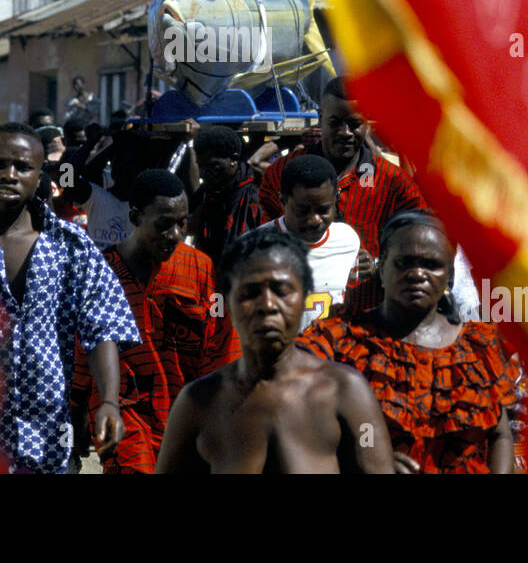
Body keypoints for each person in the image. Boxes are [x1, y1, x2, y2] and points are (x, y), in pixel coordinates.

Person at [0, 123, 141, 473]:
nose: (9, 174)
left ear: (39, 176)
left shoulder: (72, 246)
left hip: (46, 440)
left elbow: (104, 327)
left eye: (22, 167)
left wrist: (109, 401)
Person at [299, 211, 527, 474]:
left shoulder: (480, 347)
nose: (417, 274)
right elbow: (314, 424)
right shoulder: (341, 342)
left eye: (431, 265)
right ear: (382, 268)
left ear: (449, 275)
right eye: (404, 263)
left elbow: (499, 436)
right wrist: (367, 456)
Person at [154, 228, 394, 474]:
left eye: (281, 291)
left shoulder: (345, 391)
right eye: (249, 293)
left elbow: (374, 460)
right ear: (229, 301)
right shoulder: (199, 403)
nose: (267, 305)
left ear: (304, 297)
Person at [70, 170, 240, 473]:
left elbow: (220, 343)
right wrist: (75, 412)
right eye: (163, 225)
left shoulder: (200, 269)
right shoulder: (101, 273)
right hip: (124, 412)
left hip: (186, 413)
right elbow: (84, 350)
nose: (174, 233)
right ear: (135, 217)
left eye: (182, 222)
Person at [259, 78, 430, 282]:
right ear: (320, 119)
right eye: (335, 123)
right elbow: (259, 240)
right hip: (299, 305)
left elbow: (421, 242)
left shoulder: (393, 180)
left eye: (355, 124)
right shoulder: (280, 173)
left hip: (366, 307)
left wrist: (379, 264)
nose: (345, 132)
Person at [256, 155, 364, 331]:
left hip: (327, 354)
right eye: (303, 211)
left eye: (323, 210)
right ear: (283, 201)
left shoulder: (348, 240)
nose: (314, 220)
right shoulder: (254, 247)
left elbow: (348, 290)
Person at [190, 125, 264, 265]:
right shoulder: (207, 194)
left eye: (213, 165)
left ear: (234, 160)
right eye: (201, 166)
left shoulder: (255, 199)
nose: (203, 173)